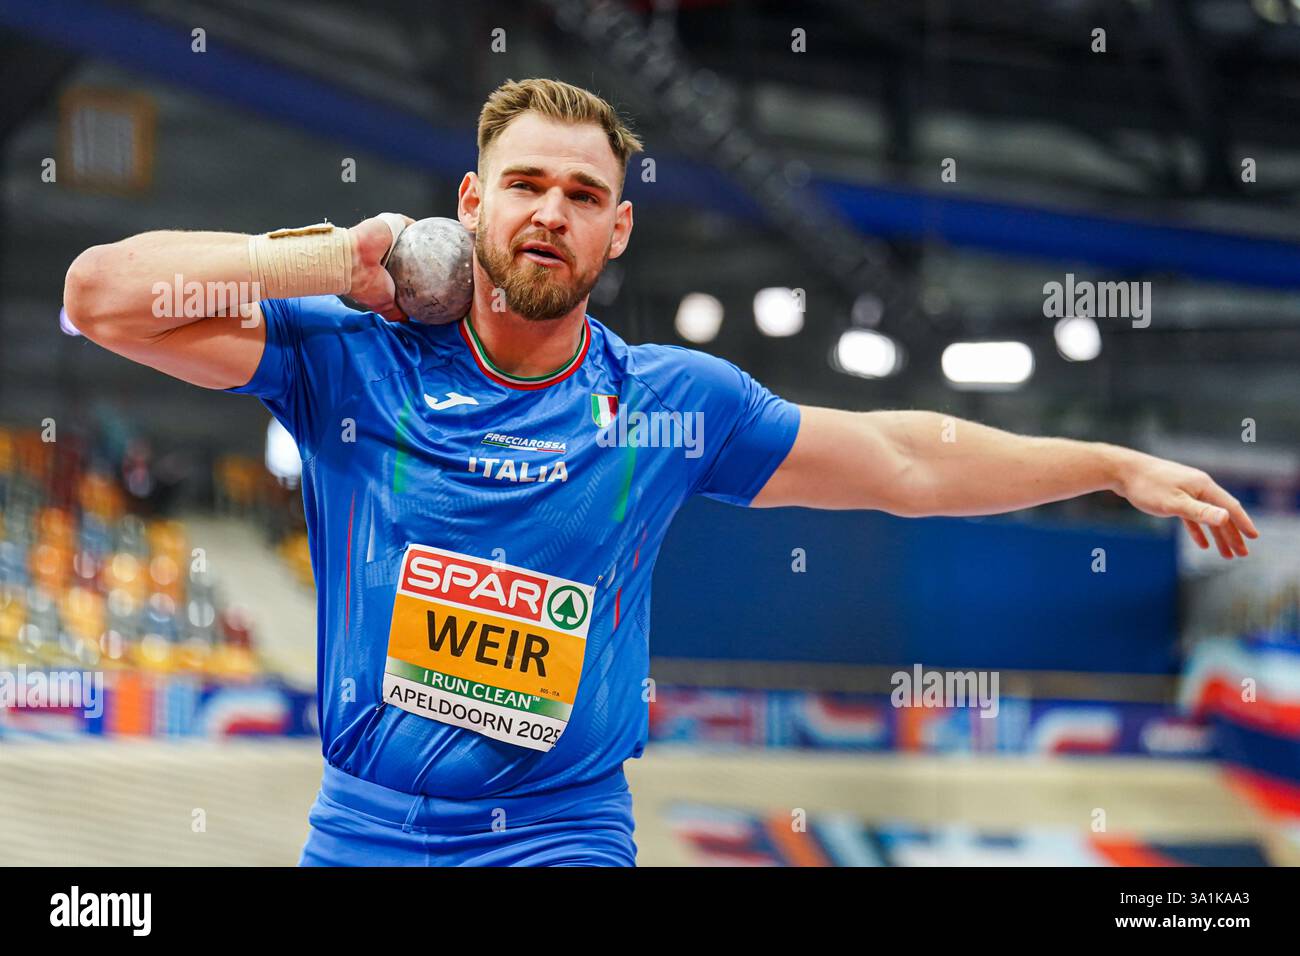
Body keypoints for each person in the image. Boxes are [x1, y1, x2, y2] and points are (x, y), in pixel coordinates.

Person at [62, 78, 1258, 866]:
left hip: (559, 832)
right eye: (525, 185)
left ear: (616, 232)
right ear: (471, 205)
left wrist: (1106, 459)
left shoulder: (672, 405)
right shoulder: (348, 358)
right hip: (361, 828)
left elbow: (903, 459)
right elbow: (100, 297)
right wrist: (339, 257)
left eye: (584, 196)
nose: (551, 213)